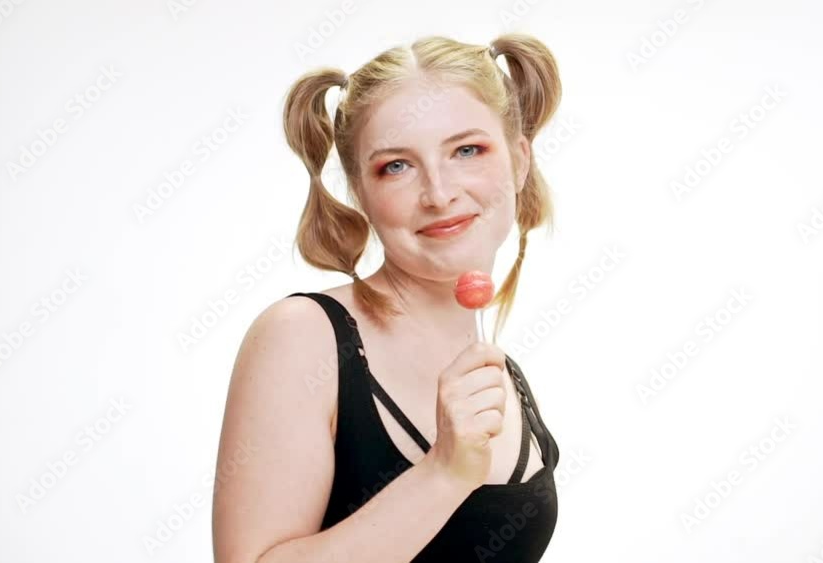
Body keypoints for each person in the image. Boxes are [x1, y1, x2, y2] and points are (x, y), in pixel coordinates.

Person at [212, 33, 563, 563]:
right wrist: (442, 474)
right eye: (396, 165)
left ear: (518, 160)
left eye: (467, 150)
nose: (439, 193)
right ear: (360, 191)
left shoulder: (504, 375)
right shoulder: (304, 336)